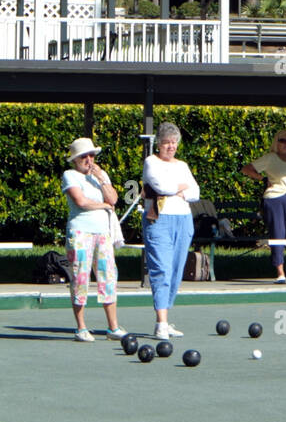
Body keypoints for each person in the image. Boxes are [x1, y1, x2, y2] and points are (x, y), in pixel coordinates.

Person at [61, 137, 127, 342]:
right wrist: (104, 206)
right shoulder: (69, 175)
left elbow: (114, 199)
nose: (89, 160)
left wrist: (103, 180)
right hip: (80, 232)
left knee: (108, 276)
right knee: (80, 277)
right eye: (84, 157)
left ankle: (113, 327)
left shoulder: (100, 175)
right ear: (75, 159)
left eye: (91, 156)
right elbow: (80, 201)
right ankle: (81, 327)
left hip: (103, 233)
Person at [142, 122, 199, 339]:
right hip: (159, 220)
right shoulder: (151, 162)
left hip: (183, 220)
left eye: (174, 143)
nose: (171, 147)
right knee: (161, 269)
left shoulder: (182, 165)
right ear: (159, 143)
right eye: (167, 143)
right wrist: (181, 187)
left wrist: (182, 190)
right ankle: (161, 323)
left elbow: (196, 191)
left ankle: (167, 318)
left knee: (176, 271)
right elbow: (162, 188)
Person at [242, 130, 286, 283]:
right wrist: (262, 178)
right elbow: (247, 169)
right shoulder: (270, 158)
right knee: (277, 234)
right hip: (274, 199)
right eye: (282, 140)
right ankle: (280, 273)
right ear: (276, 142)